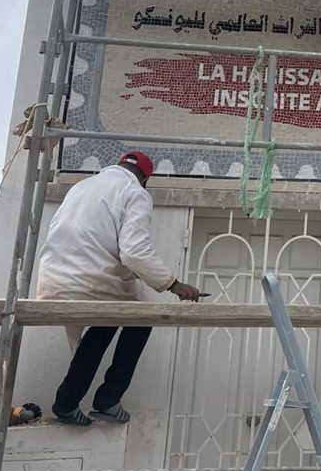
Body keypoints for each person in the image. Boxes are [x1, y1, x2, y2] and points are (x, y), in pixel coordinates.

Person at [36, 152, 200, 426]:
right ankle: (108, 399)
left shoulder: (82, 187)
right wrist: (173, 284)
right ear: (145, 179)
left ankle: (67, 402)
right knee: (142, 317)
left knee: (106, 323)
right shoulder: (134, 192)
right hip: (93, 279)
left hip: (53, 276)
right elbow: (134, 251)